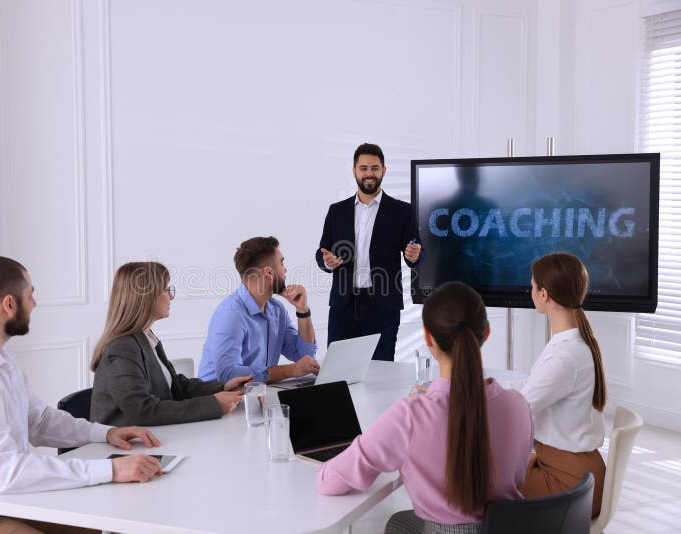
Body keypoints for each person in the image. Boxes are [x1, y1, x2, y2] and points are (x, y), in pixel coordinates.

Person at [0, 256, 164, 534]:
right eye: (30, 294)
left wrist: (105, 433)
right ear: (9, 304)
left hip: (2, 505)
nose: (34, 303)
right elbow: (5, 473)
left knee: (99, 522)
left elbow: (39, 420)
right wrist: (112, 471)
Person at [317, 282, 533, 533]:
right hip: (510, 529)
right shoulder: (519, 406)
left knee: (396, 523)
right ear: (486, 333)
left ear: (428, 338)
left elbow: (330, 482)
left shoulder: (409, 416)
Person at [90, 262, 251, 426]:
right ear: (147, 297)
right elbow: (143, 411)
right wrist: (213, 405)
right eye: (166, 290)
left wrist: (223, 388)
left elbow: (175, 385)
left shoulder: (145, 337)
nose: (171, 296)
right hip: (124, 447)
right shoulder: (122, 348)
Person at [518, 252, 607, 517]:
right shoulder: (573, 342)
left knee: (482, 479)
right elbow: (531, 387)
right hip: (576, 470)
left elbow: (519, 408)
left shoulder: (565, 355)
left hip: (568, 482)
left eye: (532, 286)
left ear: (544, 294)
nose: (530, 291)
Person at [316, 143, 423, 361]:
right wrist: (327, 261)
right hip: (343, 305)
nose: (369, 174)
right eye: (363, 168)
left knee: (380, 372)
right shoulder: (337, 211)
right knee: (338, 372)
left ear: (384, 170)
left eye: (374, 168)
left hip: (382, 306)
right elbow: (321, 253)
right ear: (354, 171)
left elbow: (415, 250)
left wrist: (415, 255)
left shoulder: (401, 211)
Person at [198, 236, 319, 383]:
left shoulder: (277, 310)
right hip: (219, 400)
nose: (285, 269)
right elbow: (229, 374)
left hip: (258, 395)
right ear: (268, 273)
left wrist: (302, 310)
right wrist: (290, 370)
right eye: (281, 263)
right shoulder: (231, 314)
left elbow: (305, 357)